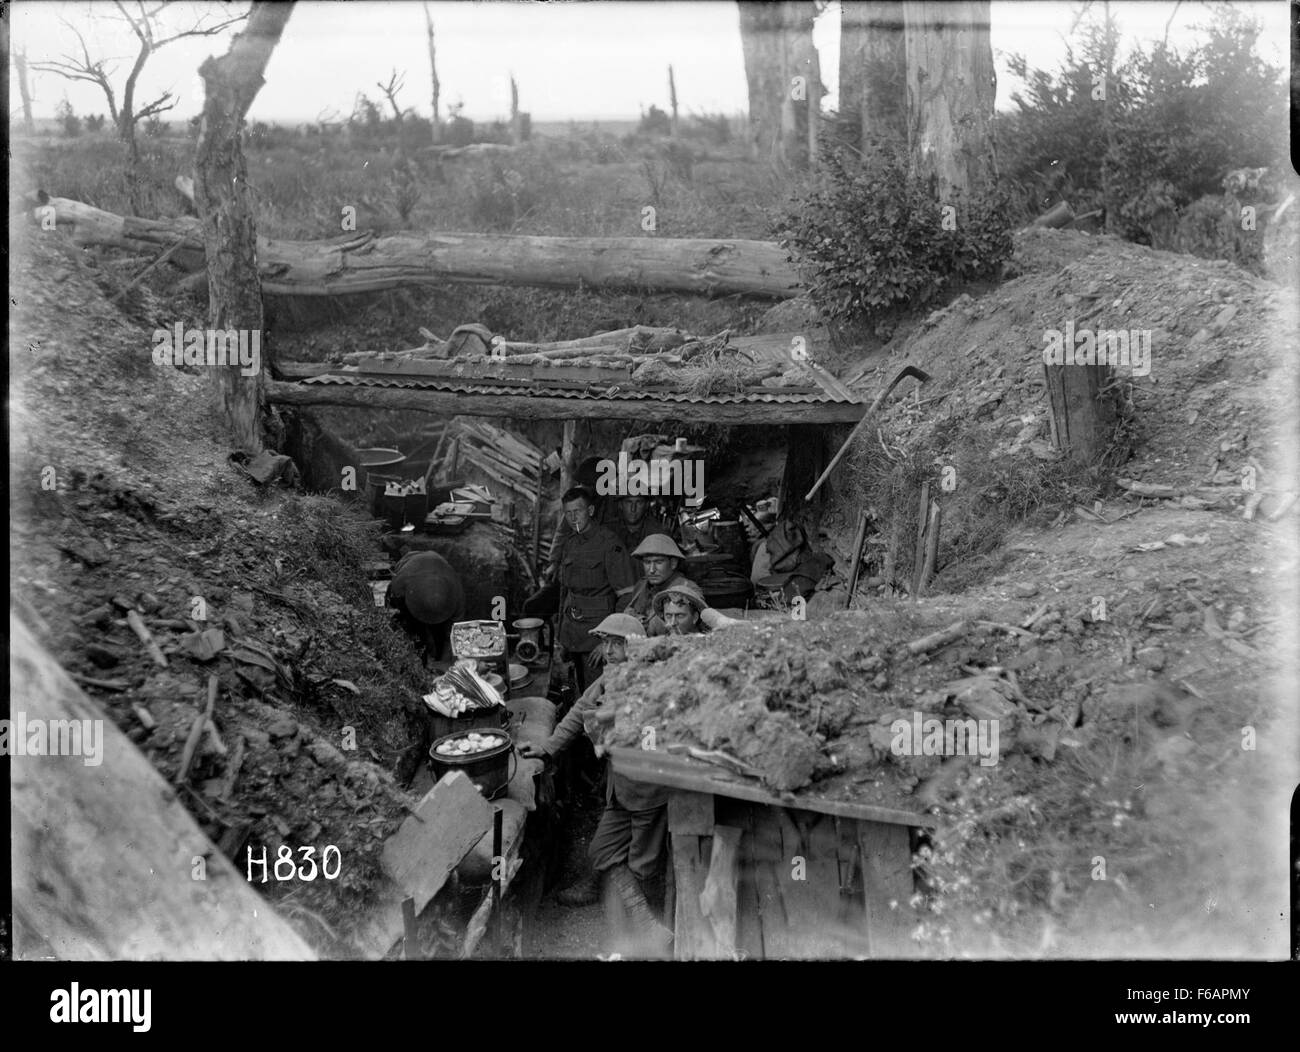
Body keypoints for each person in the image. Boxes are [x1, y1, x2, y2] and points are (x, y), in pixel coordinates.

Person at [518, 613, 672, 950]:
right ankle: (645, 921)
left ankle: (648, 933)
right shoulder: (607, 677)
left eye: (619, 643)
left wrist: (610, 724)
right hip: (619, 786)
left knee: (644, 866)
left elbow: (648, 741)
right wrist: (547, 749)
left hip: (648, 789)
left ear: (638, 648)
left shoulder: (651, 683)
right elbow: (578, 713)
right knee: (601, 851)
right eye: (607, 642)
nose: (610, 650)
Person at [552, 486, 637, 693]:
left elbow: (627, 597)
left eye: (578, 511)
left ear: (590, 511)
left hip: (597, 638)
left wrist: (609, 640)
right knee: (575, 689)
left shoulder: (609, 544)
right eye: (568, 513)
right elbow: (566, 592)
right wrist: (560, 634)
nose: (573, 518)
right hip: (573, 633)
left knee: (598, 694)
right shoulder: (570, 543)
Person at [619, 534, 741, 635]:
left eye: (658, 562)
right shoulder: (641, 586)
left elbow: (693, 627)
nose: (651, 569)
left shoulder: (688, 589)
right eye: (647, 562)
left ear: (673, 563)